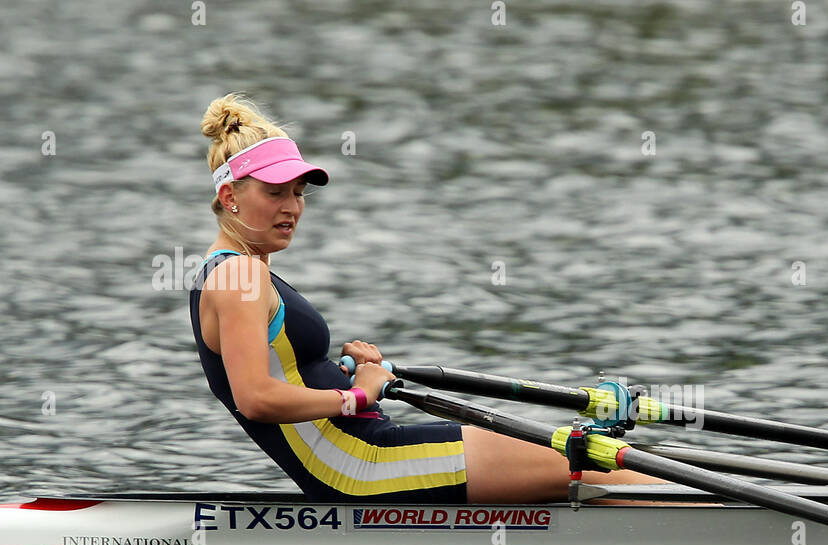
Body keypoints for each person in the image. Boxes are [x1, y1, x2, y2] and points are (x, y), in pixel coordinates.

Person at [190, 94, 658, 503]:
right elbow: (256, 398)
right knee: (599, 466)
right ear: (230, 195)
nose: (292, 206)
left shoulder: (241, 268)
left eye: (298, 192)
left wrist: (347, 369)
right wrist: (353, 395)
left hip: (363, 450)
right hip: (359, 463)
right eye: (276, 193)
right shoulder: (239, 276)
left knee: (597, 477)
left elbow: (284, 370)